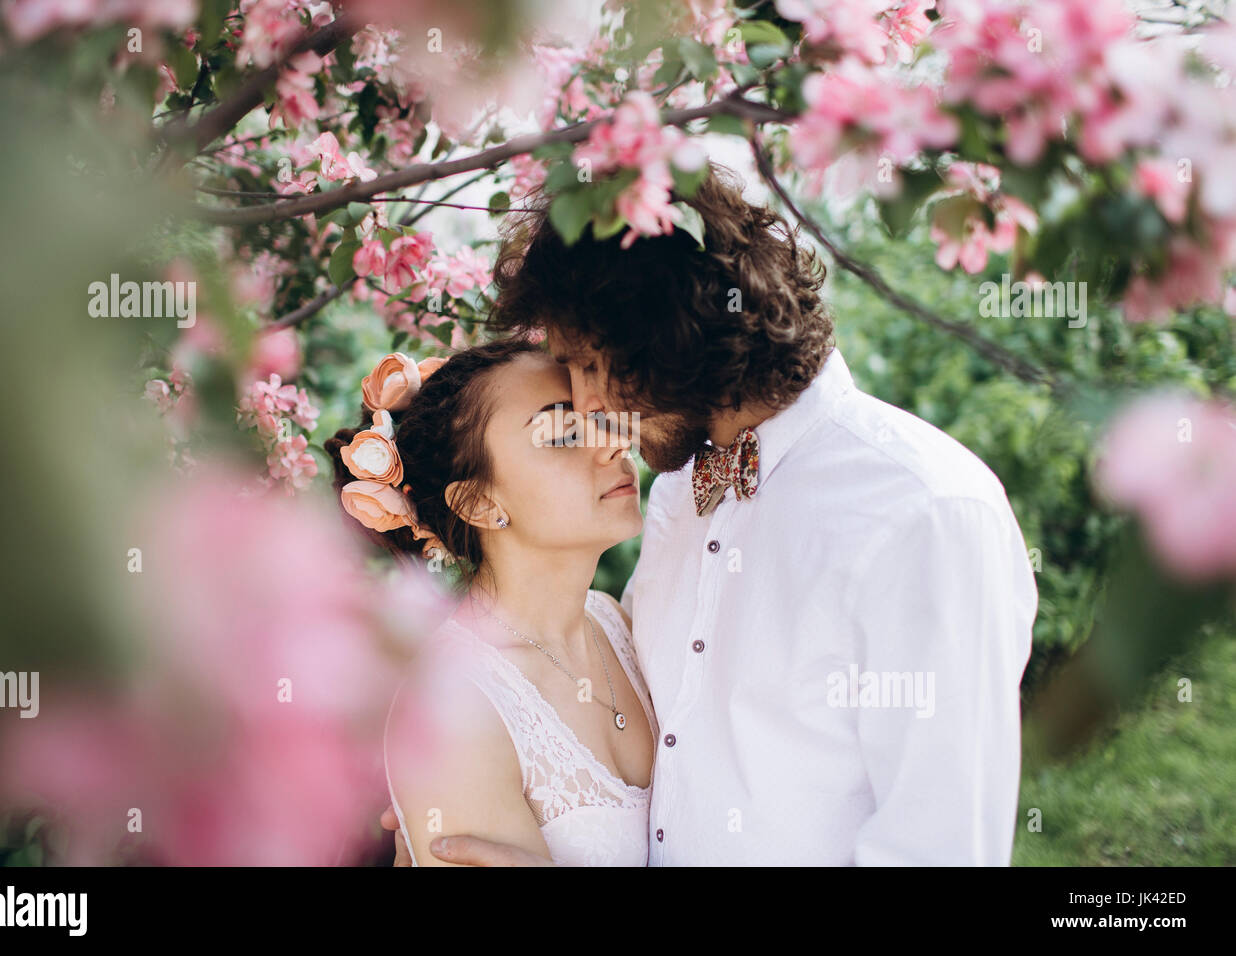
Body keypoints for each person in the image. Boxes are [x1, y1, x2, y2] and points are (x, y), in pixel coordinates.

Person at [380, 161, 1039, 865]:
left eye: (589, 366)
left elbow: (939, 851)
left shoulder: (924, 513)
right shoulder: (677, 501)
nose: (594, 414)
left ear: (666, 335)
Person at [327, 340, 657, 865]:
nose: (614, 444)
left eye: (601, 418)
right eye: (565, 434)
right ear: (479, 502)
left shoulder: (614, 621)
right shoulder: (453, 708)